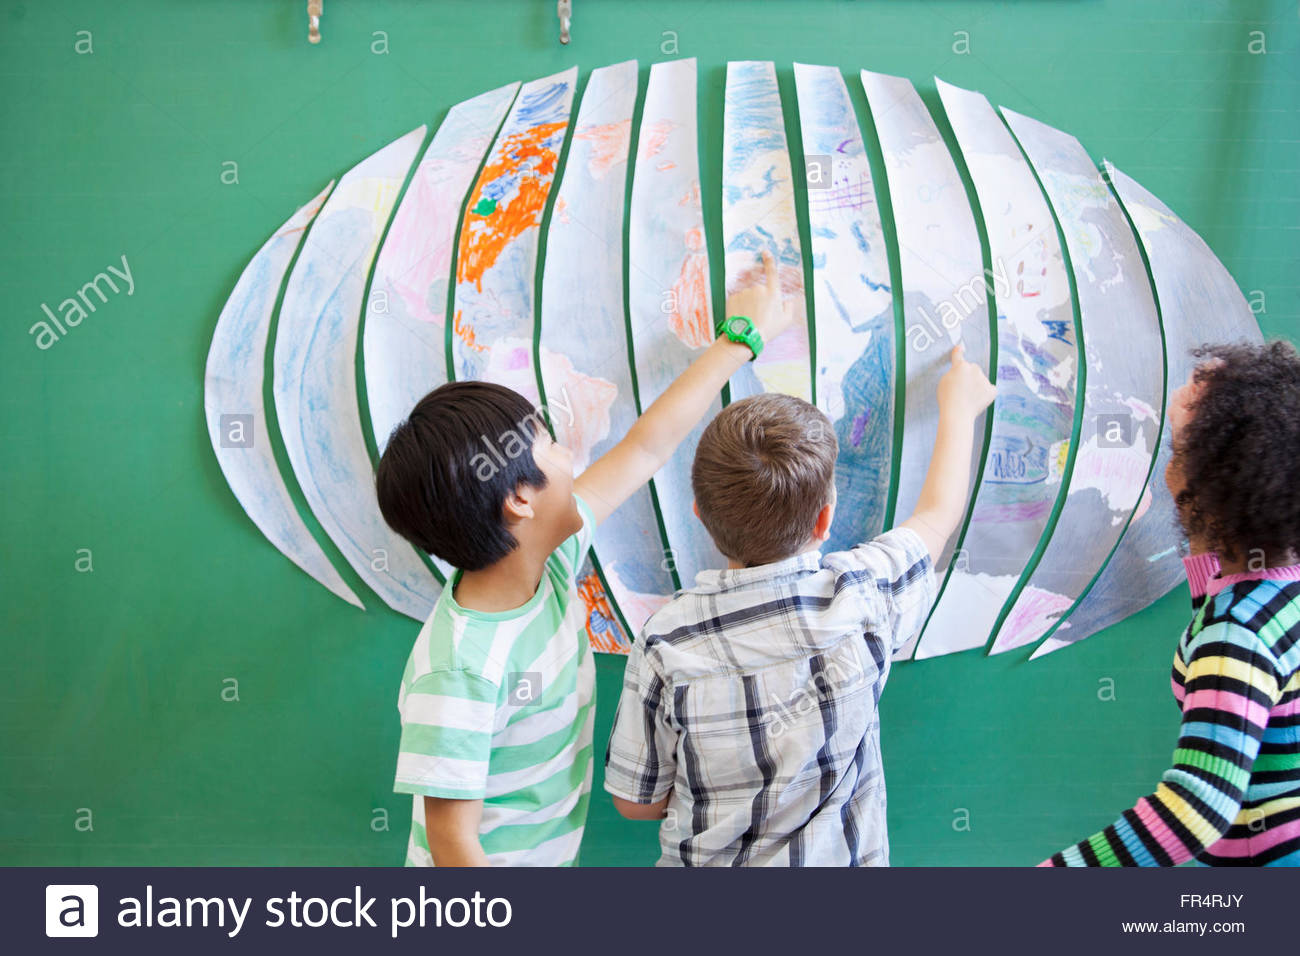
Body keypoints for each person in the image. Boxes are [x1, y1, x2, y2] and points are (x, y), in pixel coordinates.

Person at [376, 253, 796, 865]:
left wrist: (740, 340)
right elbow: (451, 841)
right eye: (549, 441)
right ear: (520, 498)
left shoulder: (547, 563)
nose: (569, 452)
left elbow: (645, 447)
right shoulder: (462, 669)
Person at [603, 343, 996, 865]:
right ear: (824, 521)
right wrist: (959, 408)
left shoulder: (667, 640)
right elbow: (937, 516)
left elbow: (635, 803)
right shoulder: (863, 594)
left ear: (697, 512)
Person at [1043, 341, 1300, 866]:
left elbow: (1195, 807)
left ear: (1204, 487)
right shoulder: (1278, 589)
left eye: (1175, 454)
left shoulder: (1235, 638)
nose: (1163, 468)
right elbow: (1222, 600)